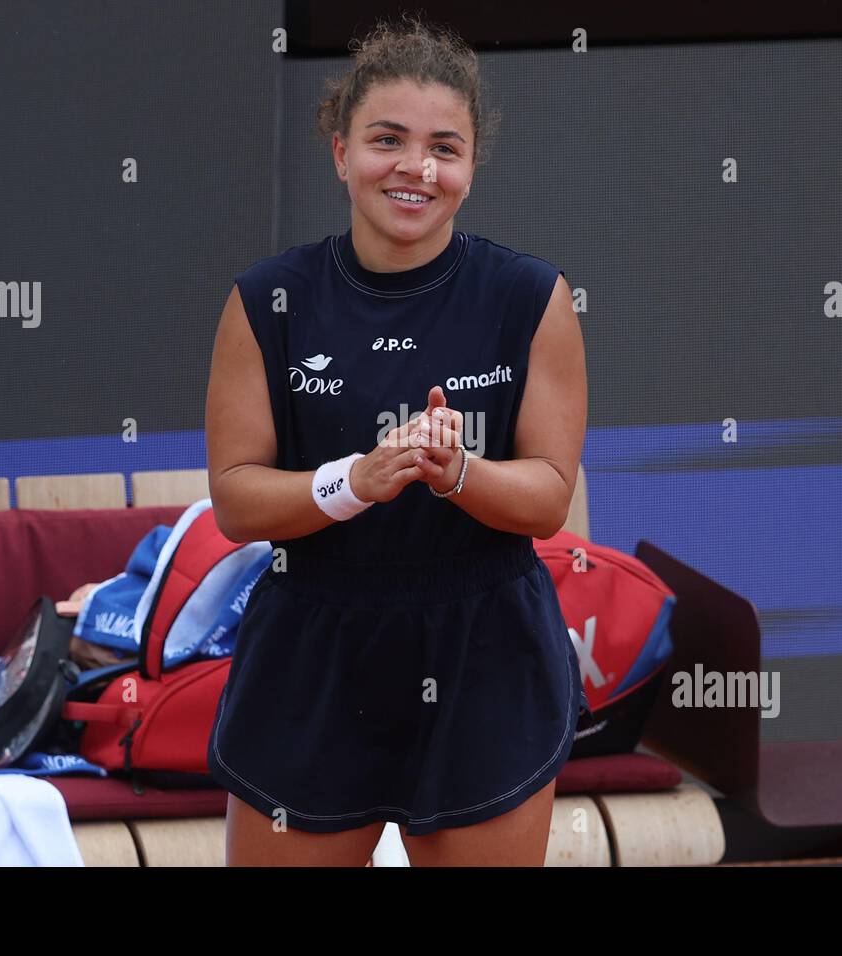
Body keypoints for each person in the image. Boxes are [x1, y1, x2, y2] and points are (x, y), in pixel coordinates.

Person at [203, 13, 589, 866]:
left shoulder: (531, 296)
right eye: (388, 140)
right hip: (311, 656)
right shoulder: (267, 300)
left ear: (471, 166)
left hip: (484, 654)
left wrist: (457, 475)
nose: (417, 169)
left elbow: (550, 499)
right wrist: (354, 481)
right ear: (341, 152)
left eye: (445, 148)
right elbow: (234, 498)